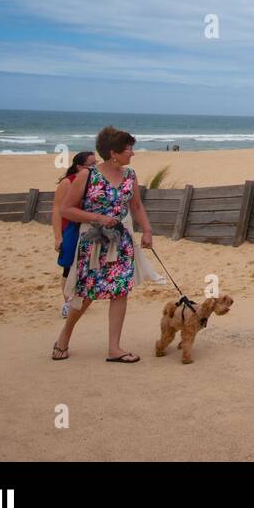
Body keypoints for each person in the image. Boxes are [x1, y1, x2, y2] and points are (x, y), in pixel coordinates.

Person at [51, 126, 155, 363]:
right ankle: (63, 338)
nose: (132, 153)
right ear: (113, 152)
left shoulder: (130, 175)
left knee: (120, 291)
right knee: (86, 292)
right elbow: (67, 208)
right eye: (128, 149)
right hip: (93, 242)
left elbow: (136, 206)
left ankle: (114, 348)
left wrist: (147, 231)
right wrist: (98, 218)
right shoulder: (88, 176)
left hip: (121, 241)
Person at [52, 150, 96, 318]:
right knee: (68, 267)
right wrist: (58, 236)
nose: (95, 167)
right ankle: (67, 303)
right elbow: (57, 209)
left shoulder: (95, 182)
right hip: (69, 229)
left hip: (88, 228)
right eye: (91, 164)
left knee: (84, 266)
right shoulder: (67, 183)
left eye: (96, 163)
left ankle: (80, 299)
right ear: (79, 167)